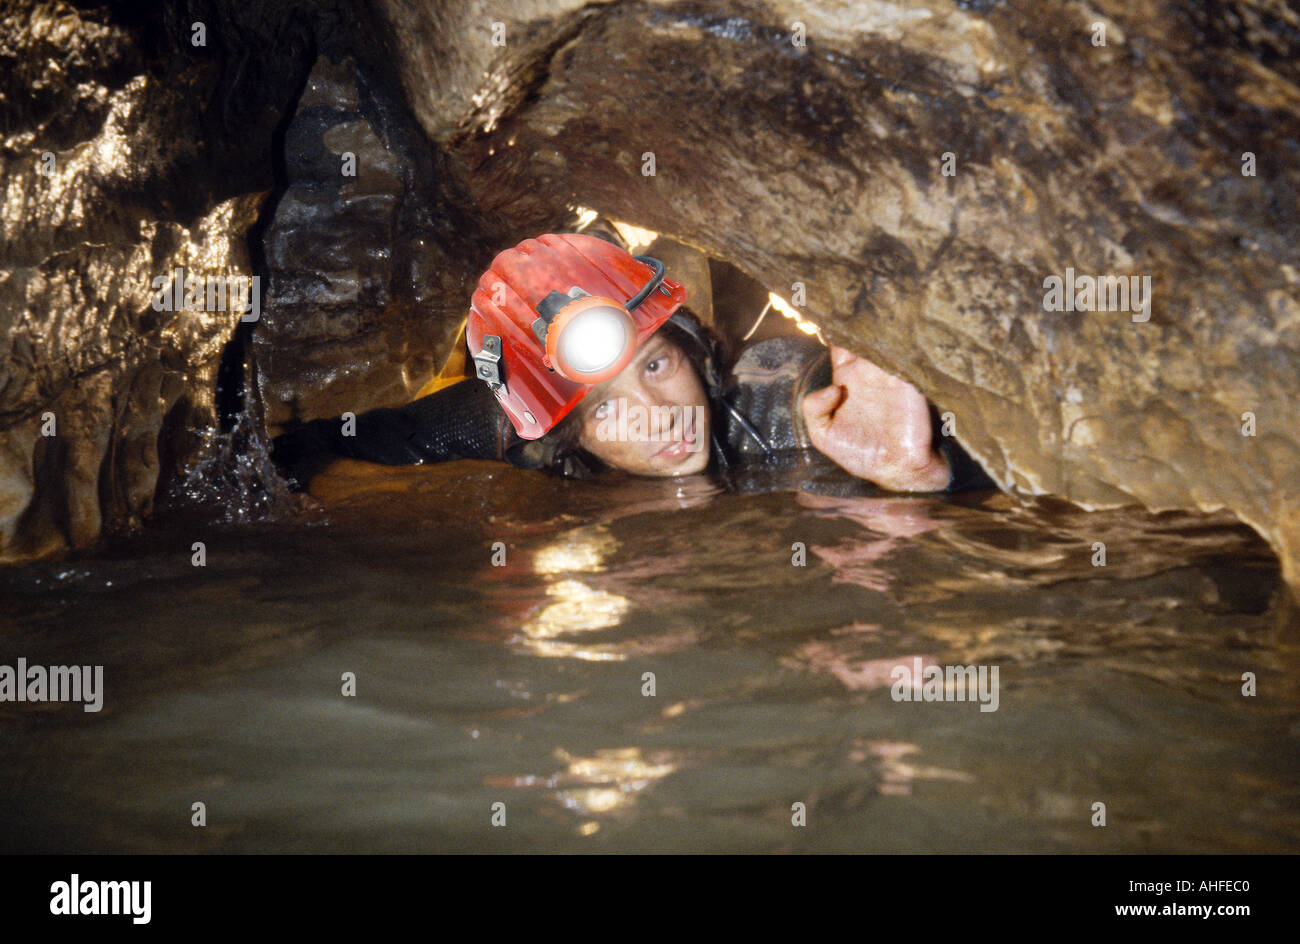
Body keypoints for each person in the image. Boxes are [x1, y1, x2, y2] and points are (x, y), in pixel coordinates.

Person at [271, 232, 995, 493]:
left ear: (693, 348)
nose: (664, 419)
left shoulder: (777, 400)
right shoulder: (506, 429)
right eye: (604, 407)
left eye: (655, 366)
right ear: (559, 431)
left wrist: (926, 473)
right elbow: (303, 451)